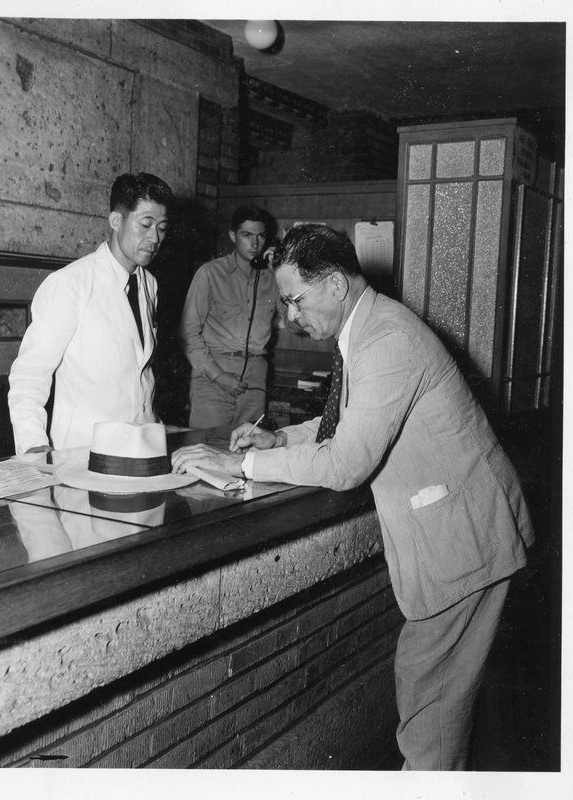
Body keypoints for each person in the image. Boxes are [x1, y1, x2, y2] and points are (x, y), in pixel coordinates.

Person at [170, 223, 535, 770]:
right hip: (464, 532)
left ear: (335, 285)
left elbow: (346, 462)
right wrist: (281, 438)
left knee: (429, 718)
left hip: (464, 542)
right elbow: (348, 419)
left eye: (295, 300)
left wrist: (240, 461)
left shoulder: (386, 338)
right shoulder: (369, 328)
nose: (291, 318)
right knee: (430, 703)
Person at [8, 172, 175, 454]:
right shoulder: (71, 283)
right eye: (145, 224)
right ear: (116, 221)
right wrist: (34, 446)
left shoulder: (150, 284)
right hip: (83, 452)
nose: (154, 238)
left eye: (161, 227)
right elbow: (28, 377)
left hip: (143, 447)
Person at [179, 205, 280, 429]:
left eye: (260, 236)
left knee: (246, 454)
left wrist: (282, 273)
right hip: (213, 379)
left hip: (254, 383)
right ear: (233, 235)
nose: (254, 245)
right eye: (247, 236)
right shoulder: (210, 274)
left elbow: (295, 322)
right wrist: (218, 376)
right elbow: (187, 334)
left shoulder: (273, 279)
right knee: (205, 450)